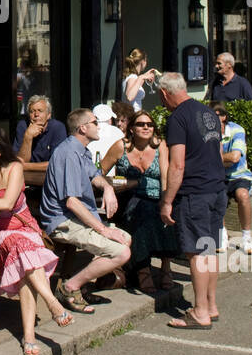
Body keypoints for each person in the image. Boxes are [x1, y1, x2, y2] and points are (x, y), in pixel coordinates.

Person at [0, 125, 73, 355]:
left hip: (22, 229)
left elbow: (8, 203)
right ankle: (52, 302)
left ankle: (30, 336)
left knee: (22, 255)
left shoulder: (14, 167)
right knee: (21, 249)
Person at [41, 108, 128, 314]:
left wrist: (107, 188)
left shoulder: (81, 150)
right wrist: (103, 229)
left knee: (125, 240)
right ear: (83, 128)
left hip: (78, 218)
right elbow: (71, 202)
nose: (99, 126)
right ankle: (70, 288)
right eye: (95, 122)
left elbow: (94, 174)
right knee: (122, 252)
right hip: (63, 220)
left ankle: (81, 284)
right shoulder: (68, 153)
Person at [156, 72, 225, 331]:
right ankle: (211, 305)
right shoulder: (207, 113)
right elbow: (217, 151)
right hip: (216, 188)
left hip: (195, 191)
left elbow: (177, 164)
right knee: (209, 249)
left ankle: (199, 312)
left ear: (165, 93)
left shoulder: (178, 118)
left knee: (196, 251)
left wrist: (167, 201)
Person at [99, 109, 176, 295]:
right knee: (141, 214)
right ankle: (144, 270)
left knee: (165, 213)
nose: (146, 128)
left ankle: (166, 266)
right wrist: (123, 182)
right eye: (141, 124)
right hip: (128, 199)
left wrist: (166, 201)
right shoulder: (121, 146)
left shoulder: (160, 146)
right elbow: (100, 172)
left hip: (156, 196)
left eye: (149, 124)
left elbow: (165, 176)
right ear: (132, 128)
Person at [213, 102, 252, 254]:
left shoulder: (237, 130)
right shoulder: (207, 132)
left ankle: (247, 238)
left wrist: (217, 159)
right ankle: (223, 235)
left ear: (223, 117)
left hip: (239, 175)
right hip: (217, 176)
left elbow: (235, 157)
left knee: (242, 195)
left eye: (215, 115)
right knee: (219, 199)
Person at [13, 94, 69, 175]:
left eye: (40, 111)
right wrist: (28, 136)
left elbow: (56, 164)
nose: (36, 114)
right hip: (27, 177)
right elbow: (20, 160)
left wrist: (26, 166)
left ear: (48, 115)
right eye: (32, 111)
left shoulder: (57, 127)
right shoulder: (23, 126)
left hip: (51, 176)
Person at [90, 103, 125, 175]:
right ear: (109, 118)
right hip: (113, 177)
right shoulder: (117, 132)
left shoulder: (88, 131)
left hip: (91, 174)